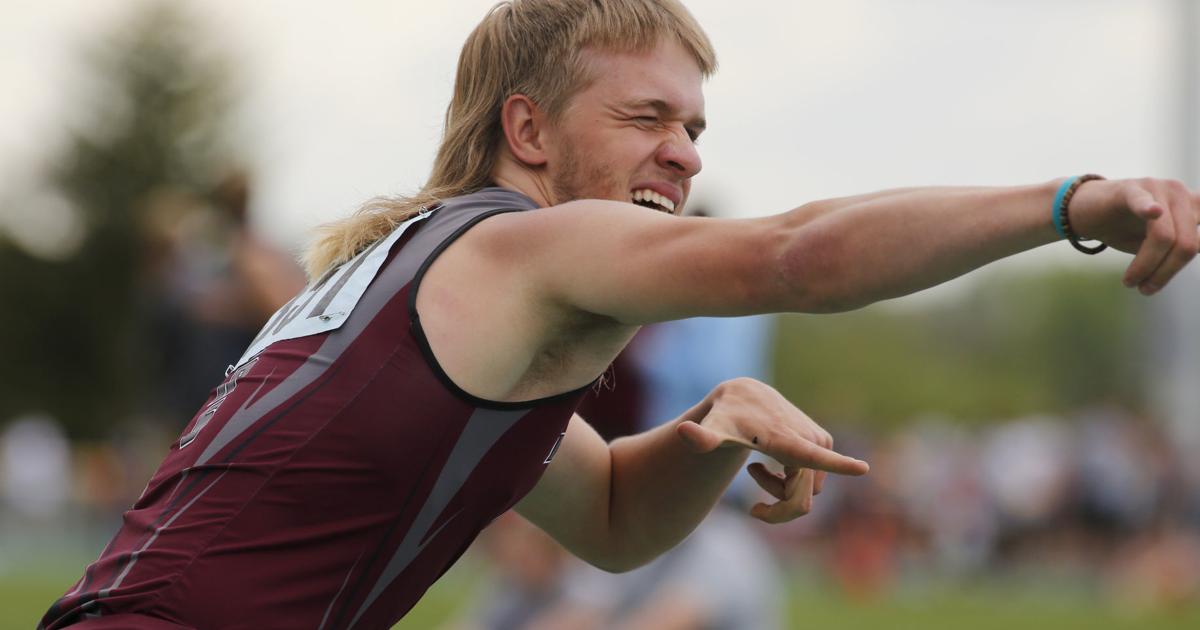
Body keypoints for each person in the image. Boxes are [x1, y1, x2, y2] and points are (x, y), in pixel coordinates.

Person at [42, 0, 1199, 628]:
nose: (684, 156)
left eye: (696, 130)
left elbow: (608, 518)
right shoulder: (519, 243)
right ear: (530, 130)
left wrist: (714, 429)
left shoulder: (452, 279)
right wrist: (1070, 203)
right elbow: (798, 255)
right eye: (649, 117)